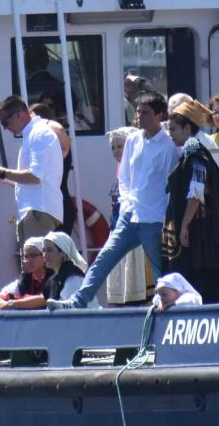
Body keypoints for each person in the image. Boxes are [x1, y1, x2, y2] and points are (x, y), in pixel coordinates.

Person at [72, 92, 175, 308]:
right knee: (105, 258)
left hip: (154, 218)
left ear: (160, 115)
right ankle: (79, 301)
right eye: (138, 112)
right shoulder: (133, 140)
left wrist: (164, 217)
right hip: (130, 215)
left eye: (145, 113)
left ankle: (169, 307)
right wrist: (127, 203)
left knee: (160, 270)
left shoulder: (169, 146)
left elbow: (170, 185)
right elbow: (125, 177)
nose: (139, 117)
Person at [158, 93, 219, 303]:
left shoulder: (194, 150)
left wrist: (184, 226)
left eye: (173, 129)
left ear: (188, 129)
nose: (170, 134)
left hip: (201, 229)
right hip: (203, 226)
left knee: (201, 276)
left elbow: (196, 192)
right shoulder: (203, 147)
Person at [0, 95, 63, 245]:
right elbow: (30, 179)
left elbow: (35, 177)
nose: (4, 128)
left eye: (5, 122)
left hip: (38, 211)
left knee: (38, 265)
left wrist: (3, 172)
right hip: (34, 211)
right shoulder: (33, 135)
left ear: (19, 114)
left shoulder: (39, 134)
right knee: (32, 266)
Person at [0, 237, 54, 309]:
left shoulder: (54, 277)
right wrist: (1, 302)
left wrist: (10, 304)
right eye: (26, 257)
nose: (28, 261)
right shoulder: (25, 279)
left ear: (44, 256)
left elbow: (44, 299)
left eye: (33, 255)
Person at [43, 230, 87, 303]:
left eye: (50, 250)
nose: (45, 255)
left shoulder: (74, 279)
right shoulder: (51, 281)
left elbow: (74, 310)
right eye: (44, 250)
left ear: (62, 253)